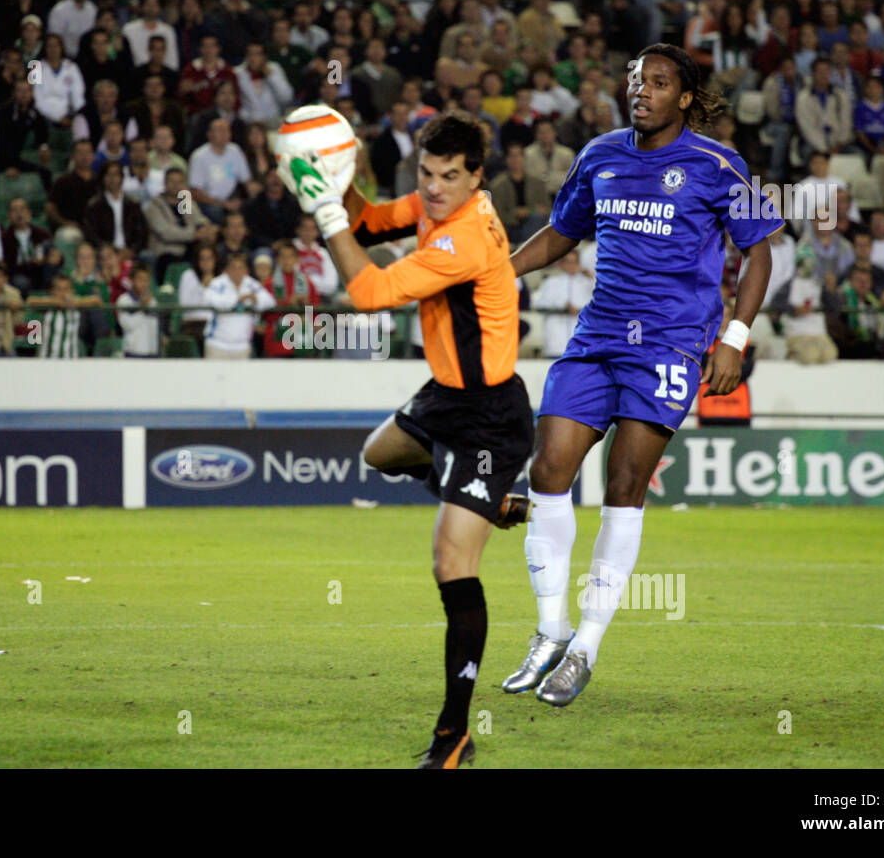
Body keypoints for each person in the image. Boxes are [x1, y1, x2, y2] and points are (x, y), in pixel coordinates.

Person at [503, 44, 782, 707]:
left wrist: (733, 340)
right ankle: (550, 631)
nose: (642, 90)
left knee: (624, 484)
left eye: (658, 83)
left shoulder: (718, 165)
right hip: (597, 336)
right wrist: (494, 273)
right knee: (548, 471)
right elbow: (560, 235)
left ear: (684, 97)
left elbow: (759, 254)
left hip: (670, 346)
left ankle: (586, 648)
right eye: (636, 80)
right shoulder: (600, 154)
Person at [279, 111, 533, 768]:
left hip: (489, 418)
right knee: (379, 453)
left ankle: (455, 735)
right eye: (427, 172)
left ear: (478, 179)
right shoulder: (431, 205)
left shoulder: (468, 238)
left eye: (451, 176)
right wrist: (336, 178)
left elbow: (369, 290)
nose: (436, 186)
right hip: (445, 396)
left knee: (452, 562)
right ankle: (493, 499)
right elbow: (369, 221)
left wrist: (322, 213)